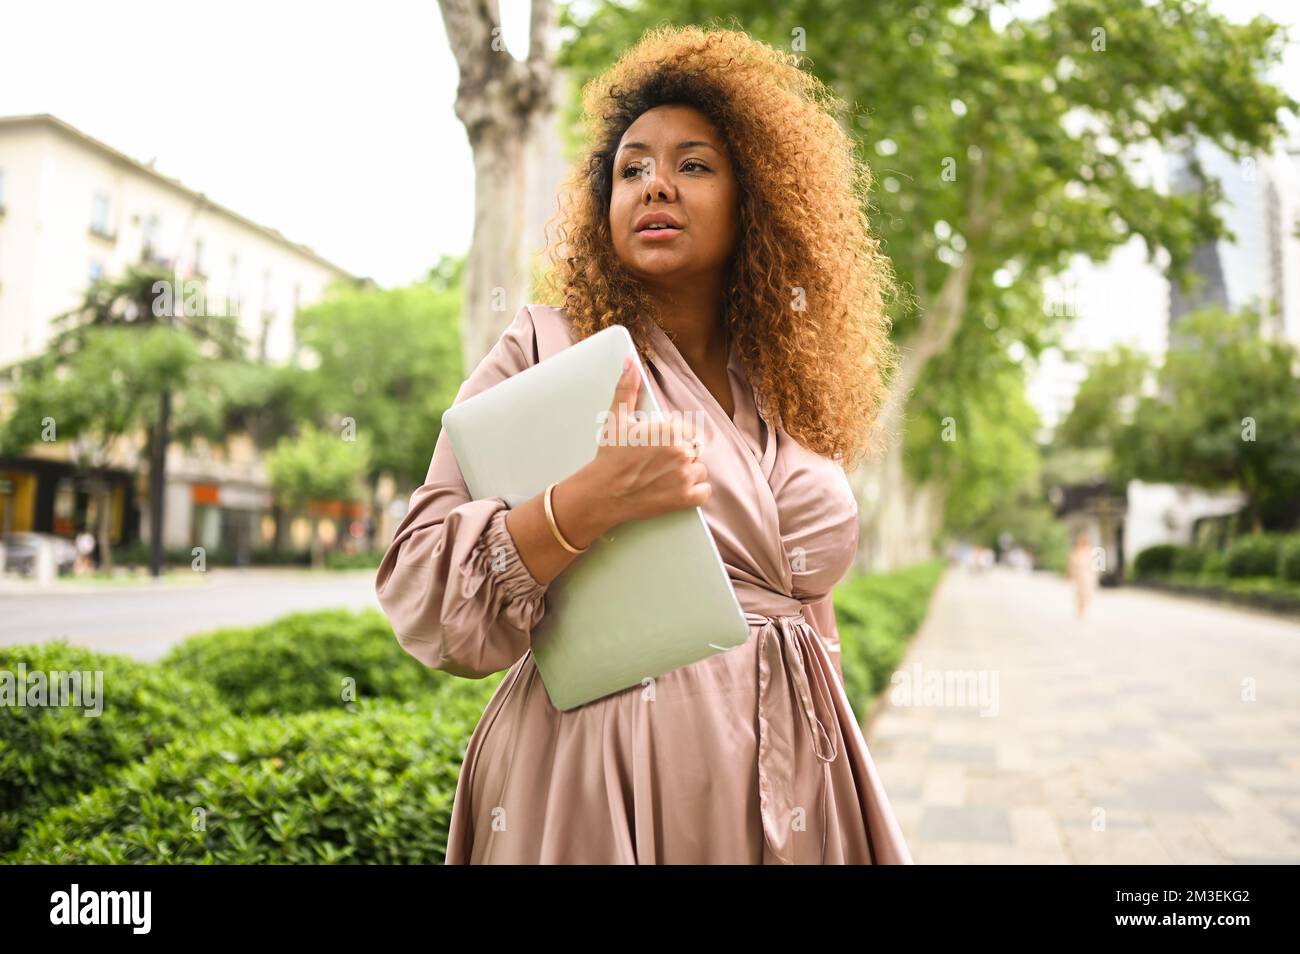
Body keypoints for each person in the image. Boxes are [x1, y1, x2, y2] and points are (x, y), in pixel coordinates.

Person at [375, 25, 911, 864]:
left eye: (693, 165)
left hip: (795, 773)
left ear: (755, 199)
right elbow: (420, 586)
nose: (656, 183)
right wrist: (587, 503)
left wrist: (830, 761)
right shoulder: (542, 348)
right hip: (600, 769)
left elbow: (809, 605)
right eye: (632, 168)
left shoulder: (789, 379)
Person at [1066, 531, 1099, 619]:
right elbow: (1071, 564)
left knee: (1087, 594)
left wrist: (1095, 579)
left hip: (1088, 576)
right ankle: (1079, 610)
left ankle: (1084, 609)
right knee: (1079, 594)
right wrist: (1069, 575)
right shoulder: (1075, 552)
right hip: (1078, 576)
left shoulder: (1090, 551)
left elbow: (1094, 567)